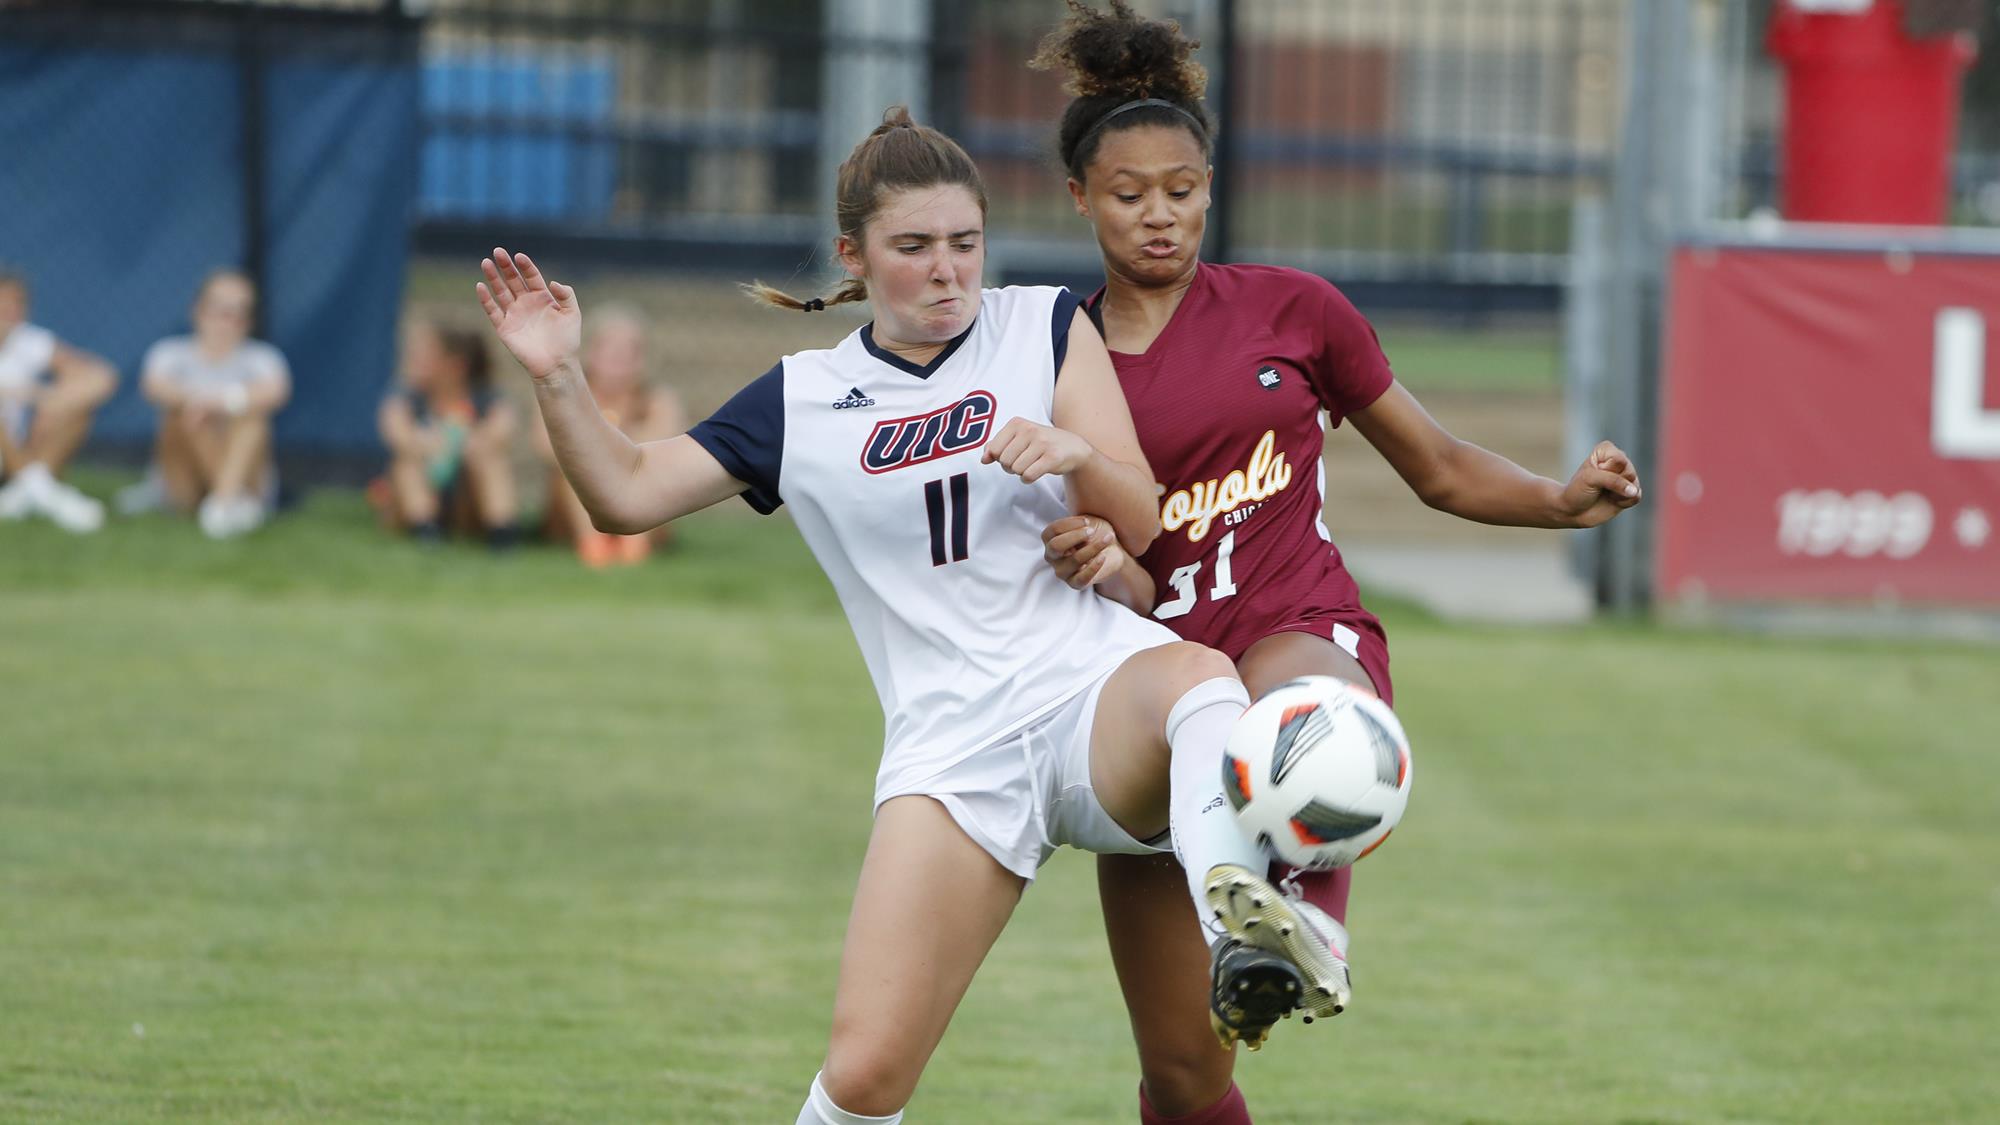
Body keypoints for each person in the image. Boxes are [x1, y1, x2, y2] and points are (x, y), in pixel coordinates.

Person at [476, 107, 1319, 1125]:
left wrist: (1080, 461)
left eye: (964, 243)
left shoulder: (1043, 322)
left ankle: (1239, 923)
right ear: (853, 255)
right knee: (865, 1077)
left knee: (1196, 679)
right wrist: (558, 375)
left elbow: (1139, 515)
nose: (946, 271)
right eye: (913, 247)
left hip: (1091, 692)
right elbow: (624, 492)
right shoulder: (804, 398)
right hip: (952, 749)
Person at [1027, 5, 1645, 1123]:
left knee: (1312, 719)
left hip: (1293, 625)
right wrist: (1090, 552)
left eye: (1181, 188)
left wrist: (1560, 501)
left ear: (1210, 182)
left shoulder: (1293, 310)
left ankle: (1303, 925)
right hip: (1153, 697)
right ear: (1079, 198)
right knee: (1181, 1076)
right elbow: (1073, 557)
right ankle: (1256, 948)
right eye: (1128, 195)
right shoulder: (1050, 355)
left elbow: (1442, 468)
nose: (1159, 215)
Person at [136, 269, 292, 539]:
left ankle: (223, 503)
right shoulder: (169, 352)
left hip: (249, 477)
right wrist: (200, 404)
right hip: (184, 484)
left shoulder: (263, 358)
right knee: (181, 417)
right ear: (198, 310)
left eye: (239, 312)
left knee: (251, 418)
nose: (228, 321)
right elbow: (154, 387)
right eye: (220, 309)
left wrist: (218, 402)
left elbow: (276, 392)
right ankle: (229, 504)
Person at [532, 303, 684, 565]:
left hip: (641, 502)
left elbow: (661, 449)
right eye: (609, 348)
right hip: (578, 503)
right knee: (576, 470)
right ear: (590, 351)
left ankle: (633, 547)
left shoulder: (656, 400)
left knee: (646, 474)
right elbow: (546, 446)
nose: (618, 357)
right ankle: (593, 546)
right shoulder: (564, 394)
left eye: (629, 350)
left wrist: (594, 443)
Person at [374, 317, 520, 548]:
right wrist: (433, 444)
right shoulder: (406, 396)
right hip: (418, 490)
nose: (413, 361)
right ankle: (425, 530)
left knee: (491, 460)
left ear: (455, 366)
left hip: (465, 496)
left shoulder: (487, 398)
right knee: (406, 464)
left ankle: (501, 533)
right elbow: (397, 435)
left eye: (424, 356)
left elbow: (500, 433)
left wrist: (456, 444)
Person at [0, 269, 117, 533]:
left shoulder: (29, 341)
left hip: (17, 450)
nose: (11, 309)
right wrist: (32, 394)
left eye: (18, 302)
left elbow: (101, 377)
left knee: (76, 410)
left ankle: (26, 491)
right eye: (3, 301)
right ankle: (45, 495)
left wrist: (55, 402)